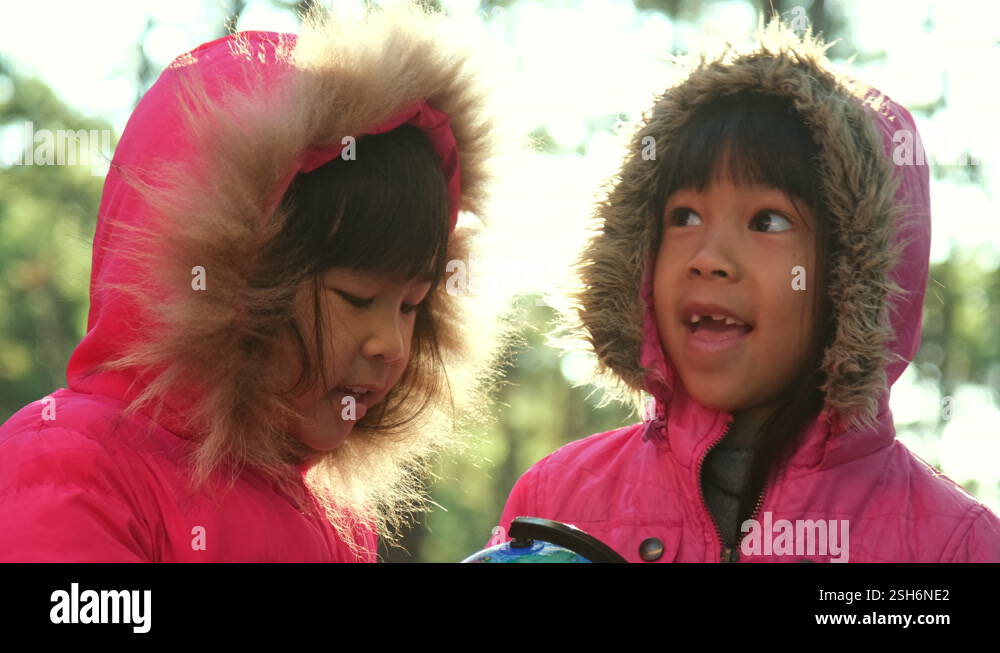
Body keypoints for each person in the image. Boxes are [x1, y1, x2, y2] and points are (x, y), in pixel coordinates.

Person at [0, 5, 508, 562]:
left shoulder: (337, 519)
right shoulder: (66, 465)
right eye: (358, 297)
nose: (391, 344)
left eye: (412, 306)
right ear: (236, 282)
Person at [493, 19, 1000, 562]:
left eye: (768, 222)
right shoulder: (556, 501)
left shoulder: (953, 545)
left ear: (852, 278)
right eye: (684, 216)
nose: (709, 259)